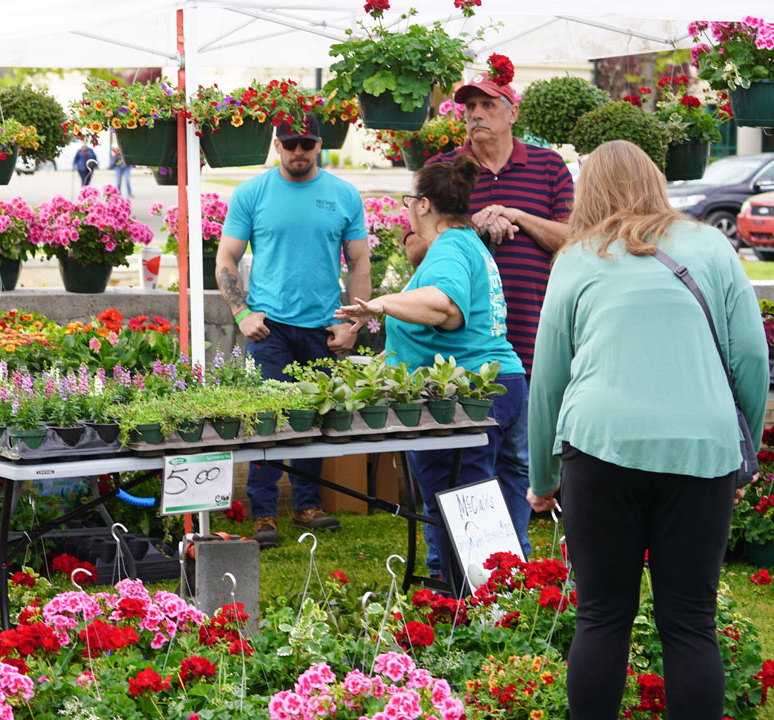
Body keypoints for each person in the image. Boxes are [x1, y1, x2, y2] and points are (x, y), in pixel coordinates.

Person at [526, 140, 768, 719]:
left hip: (599, 445)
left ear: (587, 191)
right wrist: (745, 455)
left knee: (602, 615)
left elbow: (549, 379)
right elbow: (752, 360)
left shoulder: (578, 258)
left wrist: (542, 477)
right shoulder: (712, 246)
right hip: (702, 448)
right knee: (690, 621)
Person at [336, 154, 525, 582]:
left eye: (409, 200)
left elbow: (446, 309)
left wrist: (382, 305)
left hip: (471, 397)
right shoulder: (467, 242)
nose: (408, 208)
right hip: (500, 385)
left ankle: (464, 602)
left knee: (464, 516)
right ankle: (505, 596)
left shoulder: (450, 248)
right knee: (491, 519)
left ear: (423, 205)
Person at [415, 67, 575, 560]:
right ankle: (456, 565)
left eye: (488, 105)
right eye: (469, 106)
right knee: (460, 466)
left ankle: (512, 561)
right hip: (460, 352)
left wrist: (516, 215)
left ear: (512, 113)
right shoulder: (443, 168)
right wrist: (471, 226)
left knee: (518, 460)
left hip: (531, 336)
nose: (477, 114)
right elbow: (414, 250)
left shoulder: (548, 167)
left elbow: (574, 241)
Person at [216, 112, 371, 548]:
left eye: (307, 143)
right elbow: (226, 257)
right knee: (266, 418)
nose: (298, 151)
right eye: (290, 143)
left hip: (323, 327)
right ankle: (264, 513)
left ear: (320, 144)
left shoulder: (343, 194)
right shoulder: (252, 193)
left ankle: (307, 504)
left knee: (313, 417)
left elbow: (359, 261)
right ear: (276, 144)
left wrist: (353, 323)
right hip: (271, 328)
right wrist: (241, 313)